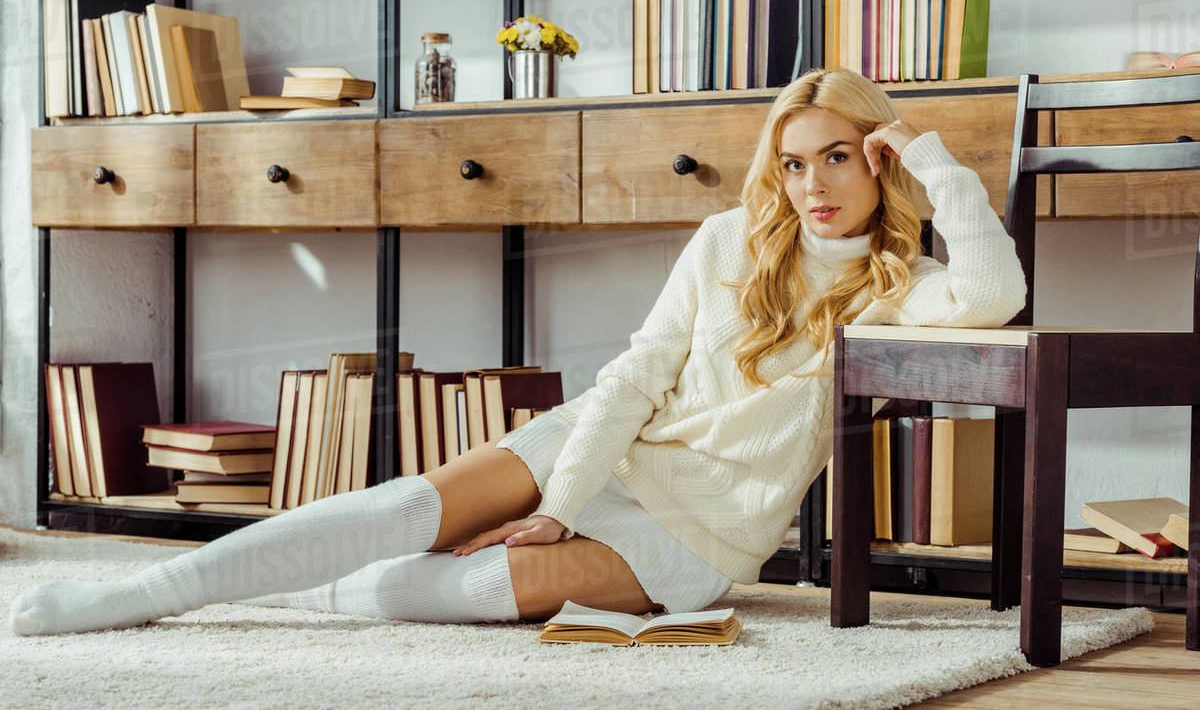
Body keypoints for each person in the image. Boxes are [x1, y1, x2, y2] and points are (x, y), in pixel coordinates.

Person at [7, 67, 1026, 636]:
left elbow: (995, 294)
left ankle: (299, 584)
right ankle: (142, 594)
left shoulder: (901, 289)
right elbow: (632, 378)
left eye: (841, 156)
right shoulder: (727, 241)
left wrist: (930, 156)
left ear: (876, 157)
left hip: (700, 532)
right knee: (409, 507)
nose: (814, 183)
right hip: (601, 448)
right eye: (795, 162)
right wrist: (556, 508)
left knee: (481, 591)